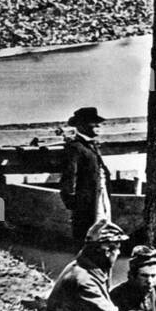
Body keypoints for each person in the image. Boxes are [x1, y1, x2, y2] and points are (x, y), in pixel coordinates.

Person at [59, 106, 111, 247]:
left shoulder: (91, 146)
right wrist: (72, 201)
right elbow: (69, 176)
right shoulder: (75, 147)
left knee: (101, 230)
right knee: (86, 234)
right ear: (82, 125)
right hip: (86, 202)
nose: (98, 125)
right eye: (94, 122)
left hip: (98, 196)